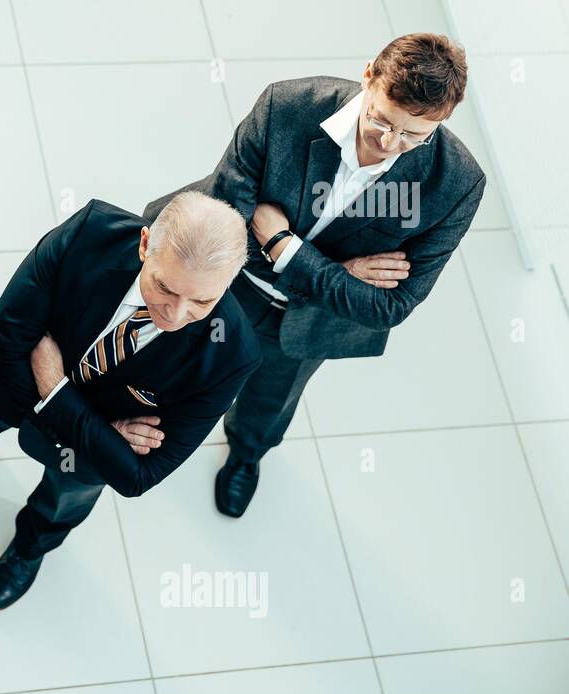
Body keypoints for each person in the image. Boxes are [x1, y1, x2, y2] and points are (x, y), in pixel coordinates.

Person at [144, 33, 486, 518]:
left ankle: (246, 456)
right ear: (368, 74)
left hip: (308, 323)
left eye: (414, 135)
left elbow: (391, 306)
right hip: (221, 282)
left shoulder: (457, 183)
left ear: (444, 120)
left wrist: (285, 247)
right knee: (170, 356)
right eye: (382, 120)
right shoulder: (287, 106)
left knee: (269, 401)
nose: (390, 144)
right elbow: (226, 217)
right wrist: (336, 275)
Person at [0, 193, 262, 609]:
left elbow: (137, 477)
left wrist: (55, 390)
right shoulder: (89, 234)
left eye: (203, 300)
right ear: (145, 244)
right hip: (20, 395)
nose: (177, 313)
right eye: (165, 286)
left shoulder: (231, 356)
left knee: (60, 506)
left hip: (75, 451)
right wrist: (101, 433)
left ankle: (29, 549)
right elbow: (1, 348)